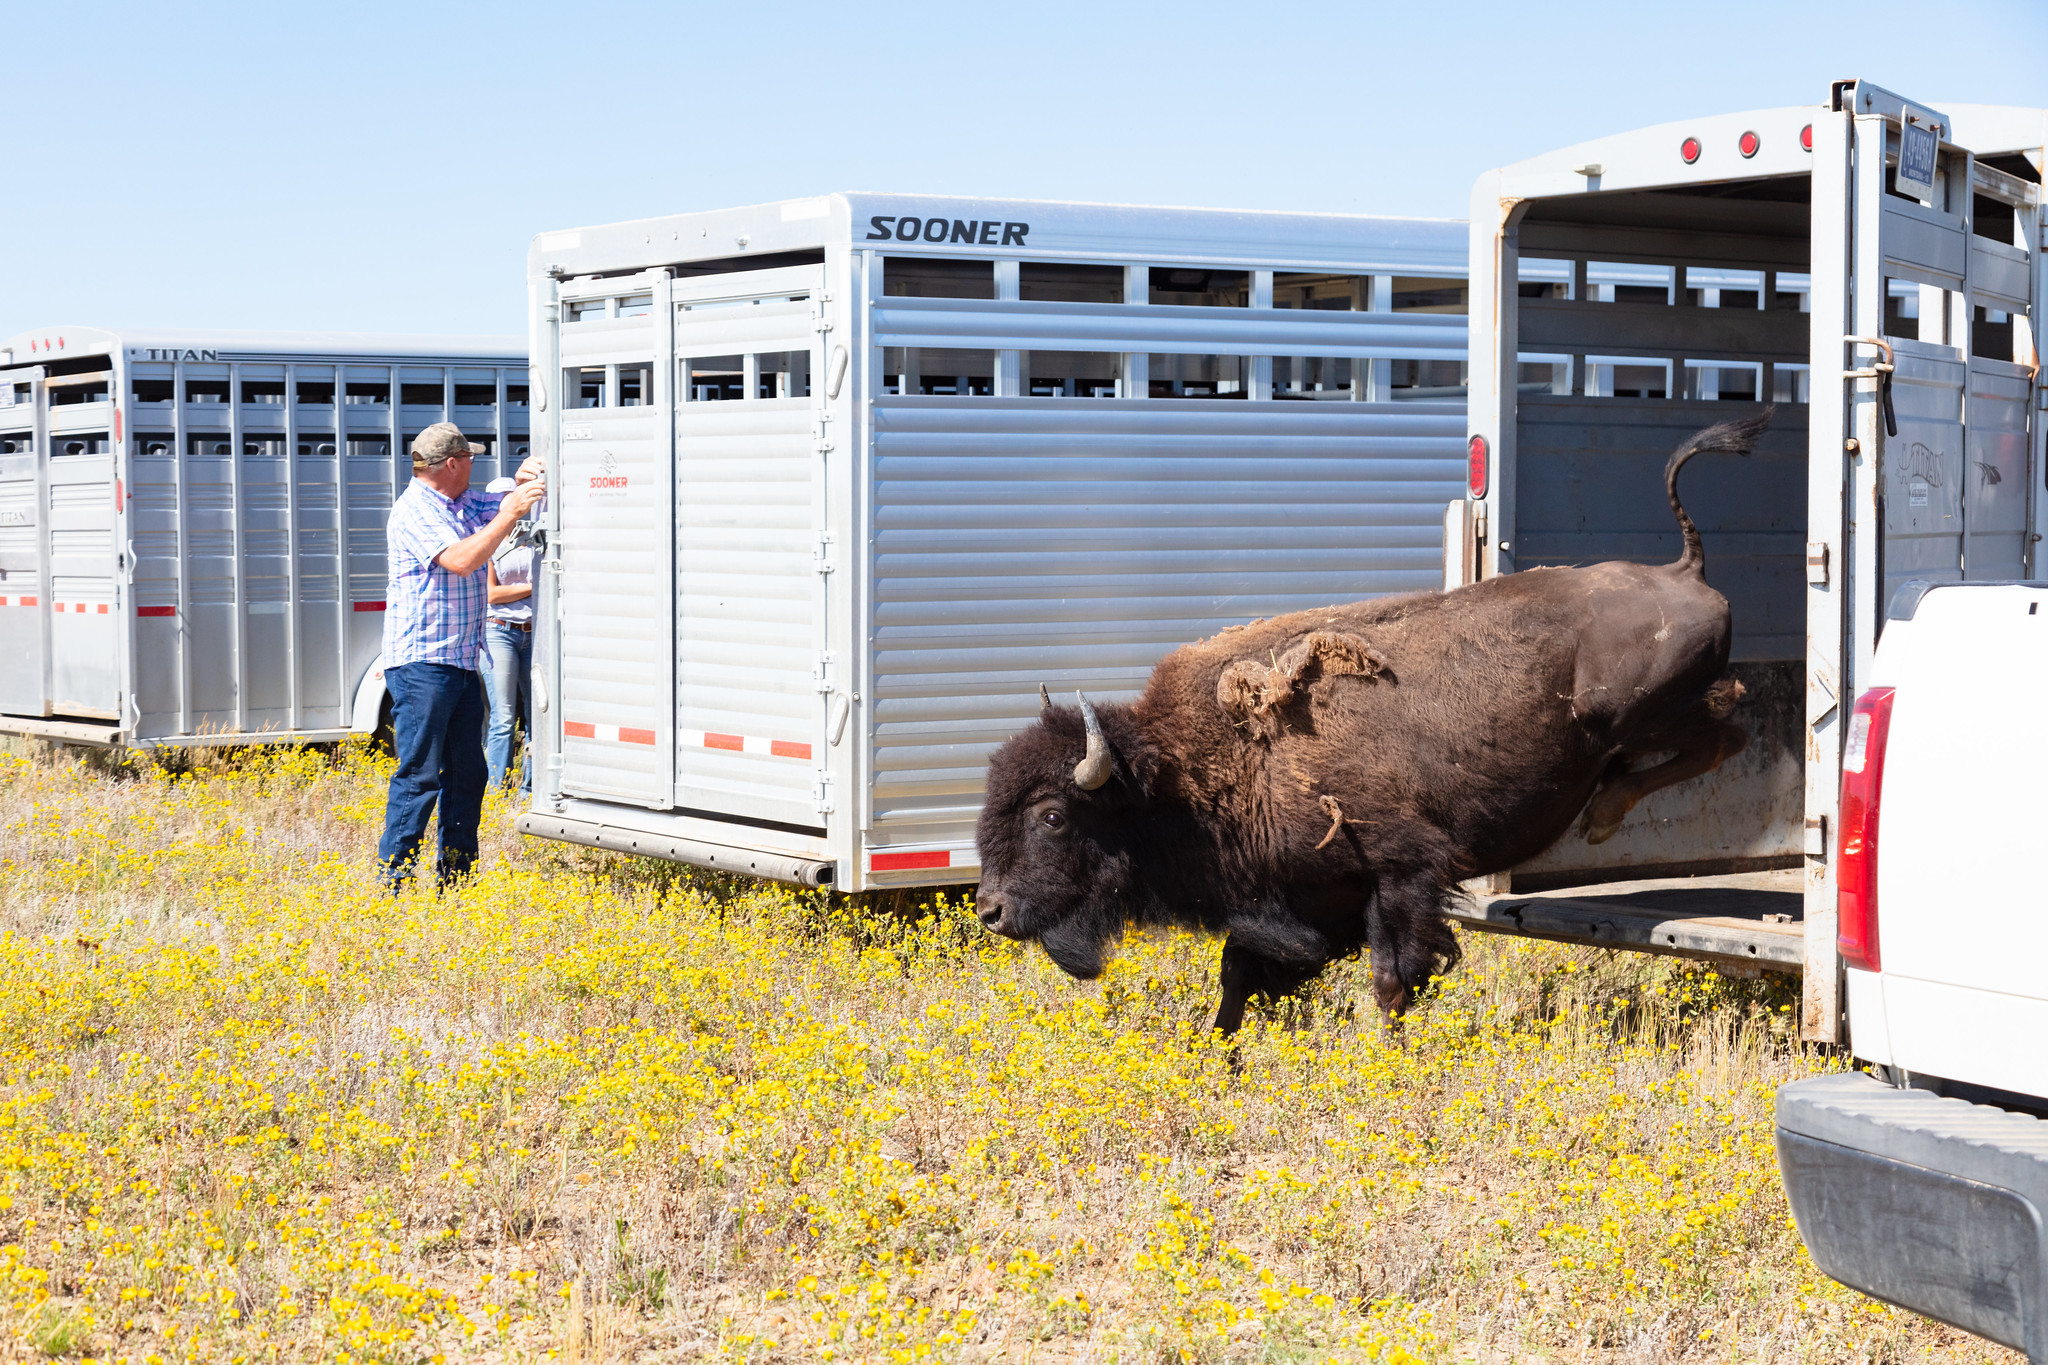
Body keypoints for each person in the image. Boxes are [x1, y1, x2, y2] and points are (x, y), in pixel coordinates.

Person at [376, 424, 546, 890]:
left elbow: (509, 504)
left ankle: (457, 879)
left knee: (468, 774)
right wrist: (510, 509)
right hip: (423, 666)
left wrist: (523, 478)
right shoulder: (413, 510)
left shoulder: (462, 503)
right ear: (451, 463)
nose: (474, 464)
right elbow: (462, 559)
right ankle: (395, 880)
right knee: (420, 775)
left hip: (461, 662)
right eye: (469, 458)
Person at [480, 475, 536, 795]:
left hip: (532, 631)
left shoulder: (531, 538)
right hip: (499, 631)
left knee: (536, 715)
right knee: (503, 716)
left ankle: (529, 789)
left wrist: (513, 592)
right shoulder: (487, 541)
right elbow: (492, 595)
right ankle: (496, 790)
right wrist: (532, 588)